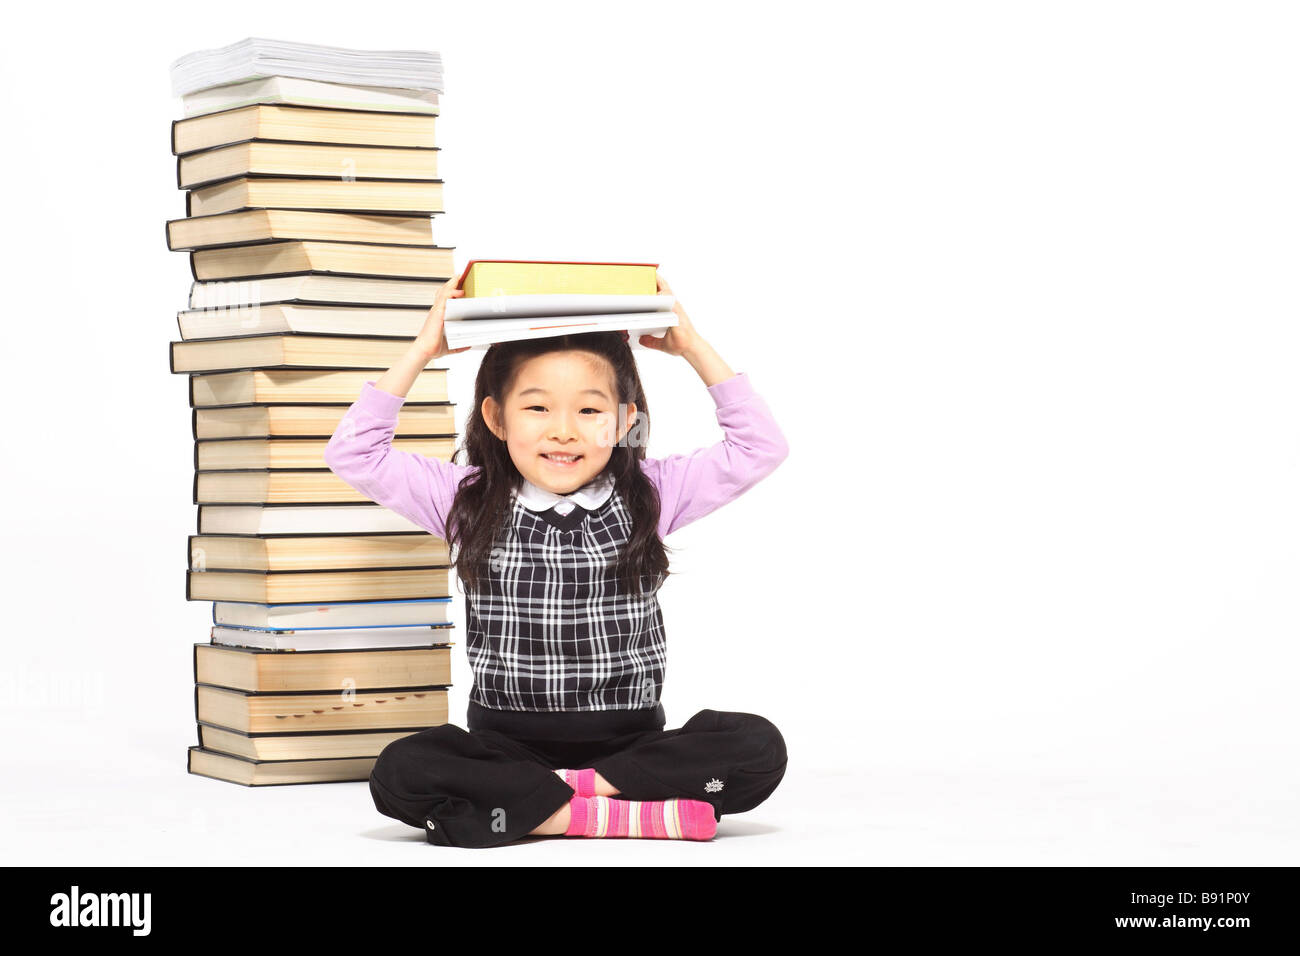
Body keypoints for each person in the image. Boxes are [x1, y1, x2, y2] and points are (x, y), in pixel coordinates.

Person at [323, 273, 791, 847]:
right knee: (402, 771)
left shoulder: (652, 494)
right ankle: (605, 814)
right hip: (505, 744)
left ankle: (550, 801)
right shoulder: (462, 499)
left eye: (590, 411)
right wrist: (423, 349)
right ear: (497, 419)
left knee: (755, 746)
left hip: (630, 747)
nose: (563, 432)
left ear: (623, 421)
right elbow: (354, 452)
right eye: (538, 408)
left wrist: (691, 346)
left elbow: (759, 447)